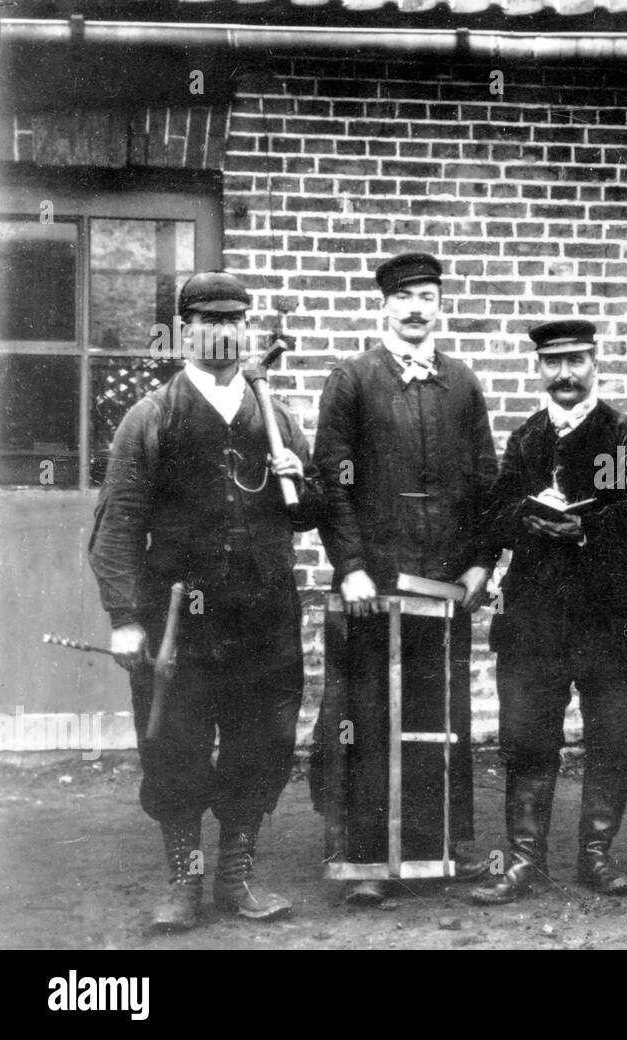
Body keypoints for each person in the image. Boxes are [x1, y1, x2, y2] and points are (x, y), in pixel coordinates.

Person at [89, 270, 326, 931]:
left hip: (264, 618)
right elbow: (119, 522)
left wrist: (300, 482)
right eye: (208, 323)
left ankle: (236, 876)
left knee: (261, 743)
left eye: (234, 323)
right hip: (176, 624)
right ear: (185, 333)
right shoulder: (152, 417)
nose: (223, 334)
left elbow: (313, 513)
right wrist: (123, 618)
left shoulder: (276, 418)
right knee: (174, 744)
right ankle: (184, 880)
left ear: (245, 330)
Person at [312, 251, 498, 904]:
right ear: (385, 305)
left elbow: (485, 483)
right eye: (406, 297)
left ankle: (437, 846)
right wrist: (352, 569)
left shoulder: (463, 383)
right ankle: (363, 858)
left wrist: (482, 561)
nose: (418, 307)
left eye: (428, 295)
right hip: (376, 587)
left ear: (439, 304)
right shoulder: (354, 379)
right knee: (367, 716)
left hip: (445, 584)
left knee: (438, 714)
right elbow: (330, 480)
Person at [469, 320, 627, 904]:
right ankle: (526, 859)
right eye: (553, 363)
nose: (565, 374)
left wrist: (585, 526)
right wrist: (527, 516)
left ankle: (597, 856)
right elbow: (495, 513)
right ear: (540, 369)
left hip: (611, 617)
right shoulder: (526, 438)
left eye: (576, 360)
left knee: (611, 738)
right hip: (534, 619)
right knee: (527, 737)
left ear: (594, 362)